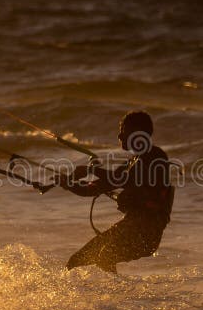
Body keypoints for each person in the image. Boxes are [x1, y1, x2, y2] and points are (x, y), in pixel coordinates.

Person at [59, 111, 174, 273]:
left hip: (147, 233)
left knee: (105, 255)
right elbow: (95, 188)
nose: (120, 136)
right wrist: (67, 183)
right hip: (130, 226)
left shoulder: (155, 157)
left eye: (123, 130)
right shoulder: (132, 162)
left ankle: (120, 297)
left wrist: (92, 169)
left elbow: (124, 179)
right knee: (75, 261)